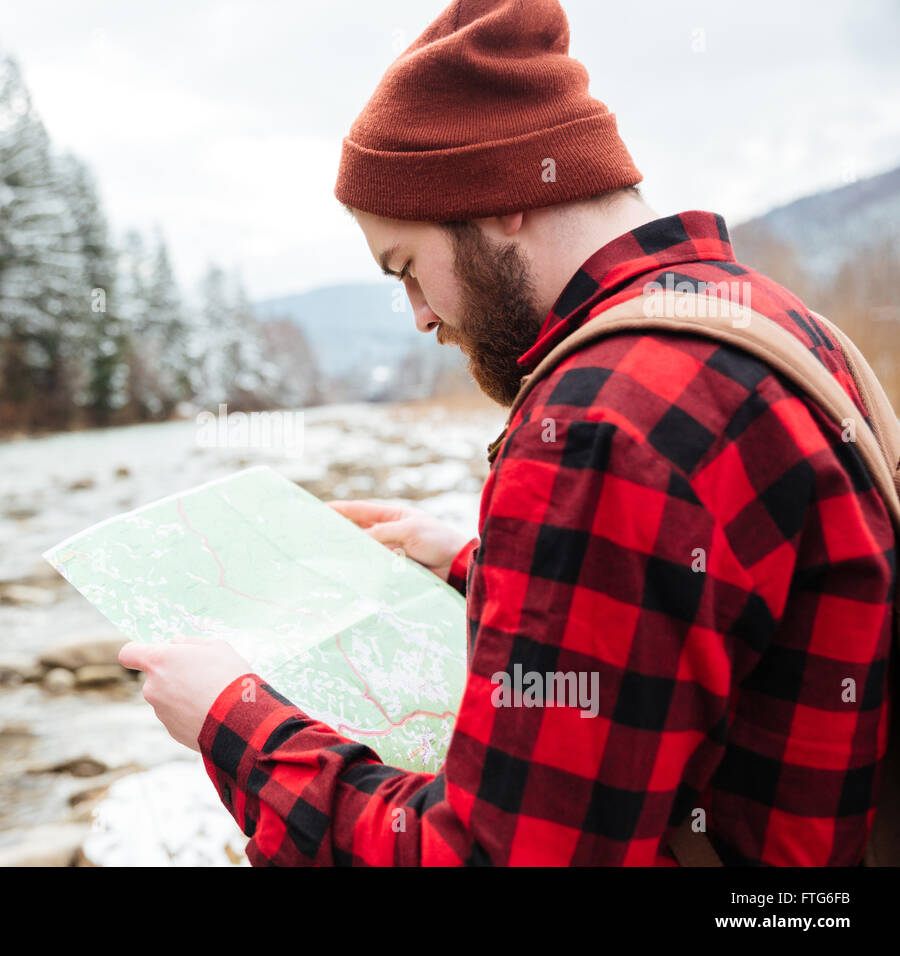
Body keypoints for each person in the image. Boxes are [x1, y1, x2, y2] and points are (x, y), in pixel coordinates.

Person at [118, 0, 895, 865]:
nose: (416, 317)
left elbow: (486, 857)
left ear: (502, 198)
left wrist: (234, 721)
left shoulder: (599, 424)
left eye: (407, 269)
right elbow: (709, 614)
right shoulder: (770, 324)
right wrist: (475, 567)